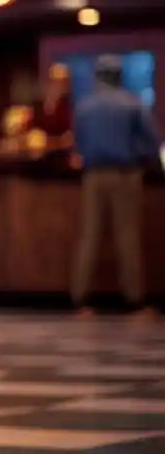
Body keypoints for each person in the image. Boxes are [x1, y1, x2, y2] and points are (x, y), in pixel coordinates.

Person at [71, 55, 161, 315]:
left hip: (93, 175)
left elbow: (79, 144)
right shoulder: (133, 104)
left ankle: (80, 299)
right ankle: (134, 300)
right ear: (120, 76)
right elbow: (152, 143)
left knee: (89, 235)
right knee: (127, 236)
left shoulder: (85, 107)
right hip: (125, 174)